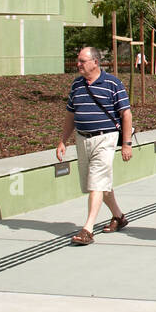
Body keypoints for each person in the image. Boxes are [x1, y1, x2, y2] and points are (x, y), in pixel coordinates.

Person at [56, 46, 134, 245]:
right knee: (98, 184)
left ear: (95, 62)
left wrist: (126, 143)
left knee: (97, 182)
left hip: (105, 138)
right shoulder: (76, 85)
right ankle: (118, 216)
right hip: (82, 139)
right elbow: (71, 114)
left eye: (82, 61)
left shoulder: (113, 83)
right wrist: (63, 140)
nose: (78, 64)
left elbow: (126, 114)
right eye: (78, 60)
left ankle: (87, 229)